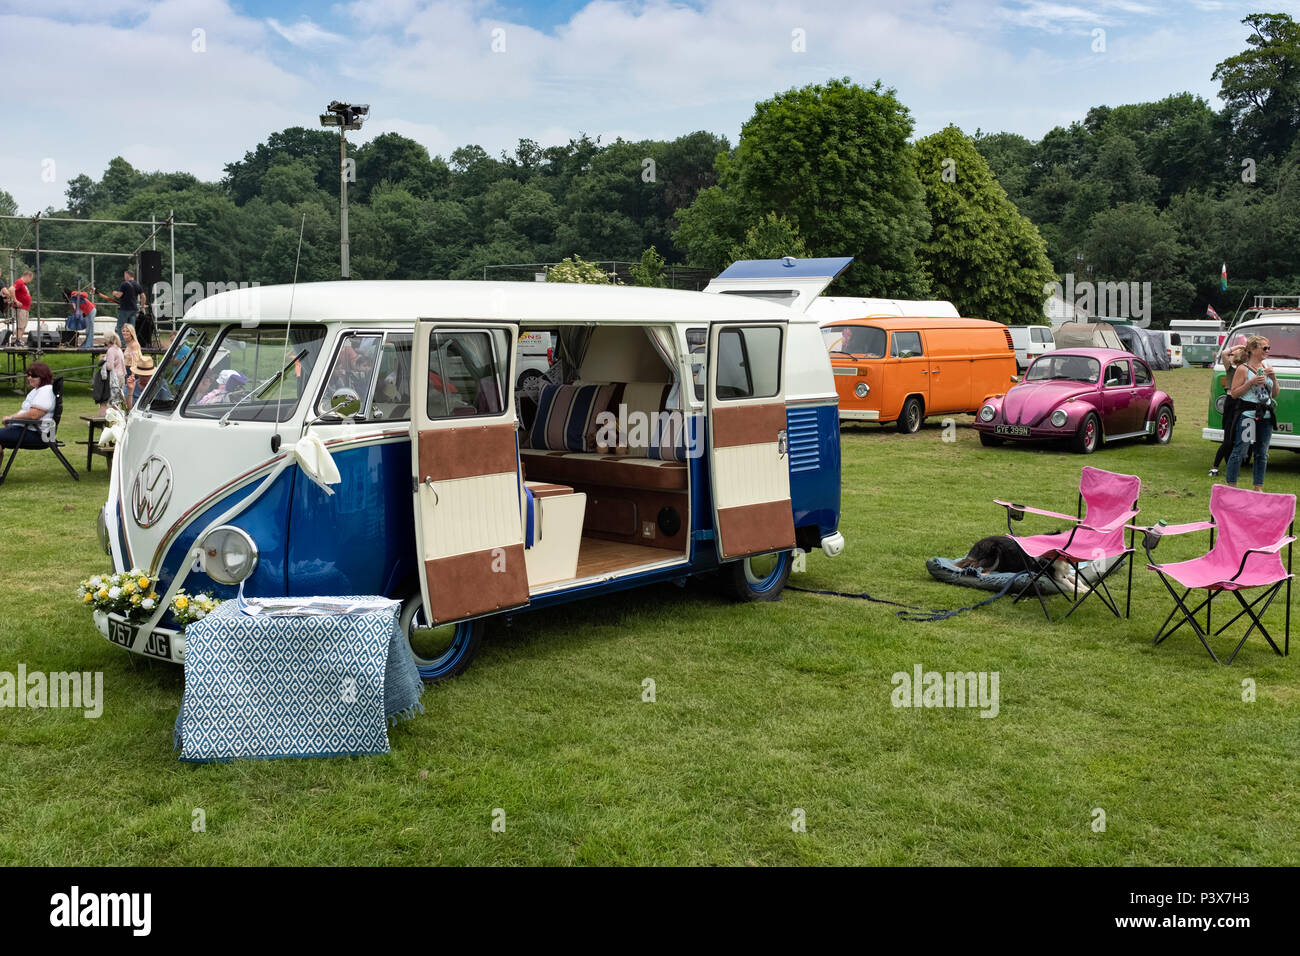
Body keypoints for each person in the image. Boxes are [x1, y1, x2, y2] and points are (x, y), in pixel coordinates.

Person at [1224, 335, 1279, 491]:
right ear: (1253, 350)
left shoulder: (1267, 366)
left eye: (1268, 348)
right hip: (1248, 415)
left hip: (1266, 416)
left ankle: (1258, 487)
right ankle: (1232, 485)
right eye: (1264, 348)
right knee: (1241, 450)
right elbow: (1234, 393)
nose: (1267, 351)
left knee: (1262, 453)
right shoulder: (1243, 369)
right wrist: (1251, 382)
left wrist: (1273, 378)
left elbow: (1275, 394)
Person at [1210, 337, 1248, 477]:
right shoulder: (1231, 370)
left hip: (1240, 403)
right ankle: (1215, 466)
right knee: (1228, 439)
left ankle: (1230, 466)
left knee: (1235, 439)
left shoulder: (1245, 370)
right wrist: (1239, 346)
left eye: (1235, 356)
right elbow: (1224, 353)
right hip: (1231, 403)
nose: (1232, 357)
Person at [0, 361, 56, 449]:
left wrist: (11, 419)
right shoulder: (38, 390)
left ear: (43, 376)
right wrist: (12, 420)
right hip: (28, 429)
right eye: (28, 375)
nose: (29, 378)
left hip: (37, 434)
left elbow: (34, 415)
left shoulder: (46, 391)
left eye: (33, 376)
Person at [100, 269, 144, 341]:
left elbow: (119, 295)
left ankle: (122, 343)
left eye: (124, 275)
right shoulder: (137, 284)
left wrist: (114, 293)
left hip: (125, 309)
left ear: (127, 275)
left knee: (120, 326)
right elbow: (143, 296)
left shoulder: (124, 284)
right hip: (134, 309)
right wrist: (142, 305)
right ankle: (132, 342)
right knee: (131, 328)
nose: (124, 277)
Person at [101, 332, 127, 416]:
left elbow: (109, 367)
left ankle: (105, 418)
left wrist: (104, 362)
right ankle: (116, 418)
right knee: (117, 400)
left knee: (109, 400)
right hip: (122, 376)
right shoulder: (118, 349)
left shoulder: (111, 350)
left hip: (114, 378)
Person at [6, 269, 33, 346]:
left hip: (25, 308)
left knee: (23, 325)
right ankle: (17, 340)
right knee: (20, 325)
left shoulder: (23, 284)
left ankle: (19, 340)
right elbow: (11, 289)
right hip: (21, 308)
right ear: (28, 276)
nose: (30, 281)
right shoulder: (20, 282)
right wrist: (15, 300)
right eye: (30, 279)